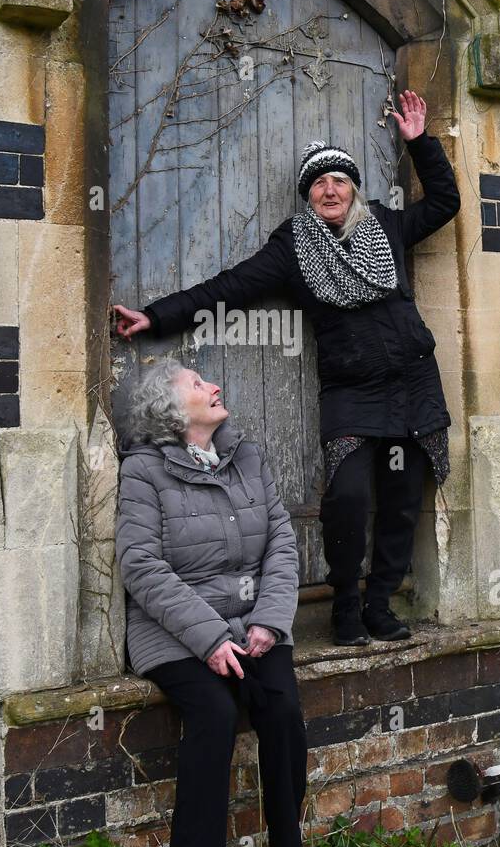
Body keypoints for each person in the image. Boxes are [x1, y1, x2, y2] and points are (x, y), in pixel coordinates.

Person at [114, 90, 460, 648]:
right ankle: (345, 604)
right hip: (353, 389)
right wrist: (155, 317)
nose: (330, 189)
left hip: (413, 382)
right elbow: (227, 288)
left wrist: (420, 143)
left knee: (401, 498)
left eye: (340, 180)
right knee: (347, 498)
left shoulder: (390, 229)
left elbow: (444, 203)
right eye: (319, 182)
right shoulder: (293, 250)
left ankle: (380, 603)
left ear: (354, 190)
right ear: (308, 195)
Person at [115, 359, 310, 847]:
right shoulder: (144, 472)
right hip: (174, 630)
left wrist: (271, 622)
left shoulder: (245, 457)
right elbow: (141, 566)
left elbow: (281, 538)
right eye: (198, 384)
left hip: (253, 624)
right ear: (172, 411)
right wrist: (208, 638)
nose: (214, 386)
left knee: (280, 708)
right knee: (216, 715)